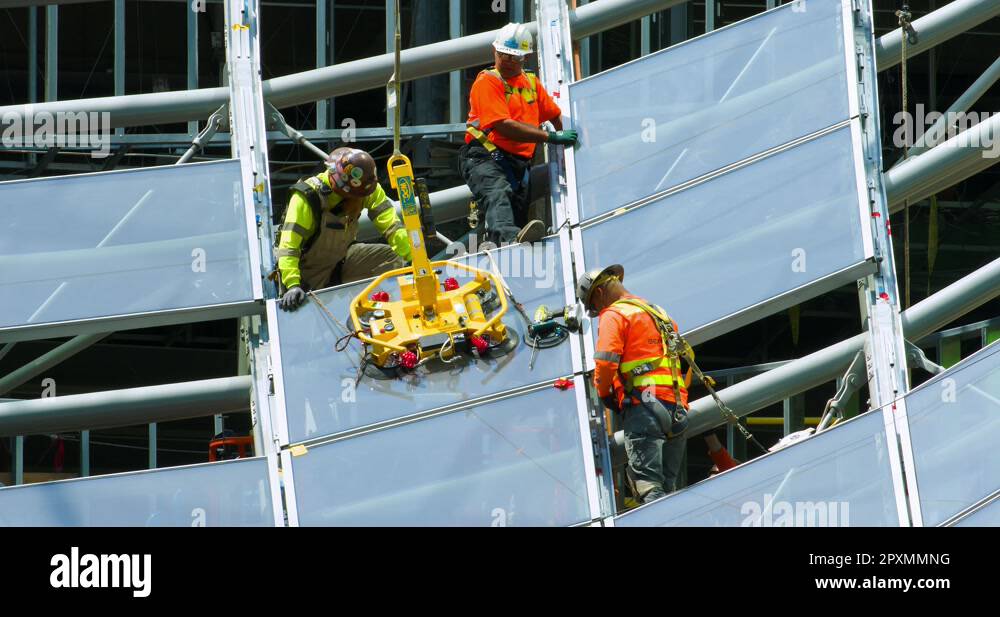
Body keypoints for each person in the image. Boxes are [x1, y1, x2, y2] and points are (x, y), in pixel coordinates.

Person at [579, 264, 692, 504]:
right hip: (678, 409)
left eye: (594, 307)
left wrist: (604, 393)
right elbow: (684, 362)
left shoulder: (614, 314)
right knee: (667, 489)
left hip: (645, 408)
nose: (598, 312)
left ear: (598, 294)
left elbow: (606, 363)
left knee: (648, 489)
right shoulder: (659, 312)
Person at [459, 22, 578, 246]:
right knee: (497, 194)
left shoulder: (531, 83)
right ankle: (510, 242)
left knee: (515, 212)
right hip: (484, 156)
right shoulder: (488, 82)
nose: (507, 61)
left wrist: (577, 141)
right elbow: (504, 125)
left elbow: (555, 115)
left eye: (514, 57)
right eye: (504, 55)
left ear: (525, 58)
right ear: (495, 51)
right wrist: (551, 137)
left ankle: (514, 252)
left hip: (518, 165)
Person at [275, 147, 412, 310]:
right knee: (303, 315)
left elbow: (392, 226)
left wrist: (414, 258)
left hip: (340, 260)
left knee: (392, 258)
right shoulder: (307, 197)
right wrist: (292, 284)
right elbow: (289, 247)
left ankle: (385, 310)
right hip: (307, 271)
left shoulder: (365, 189)